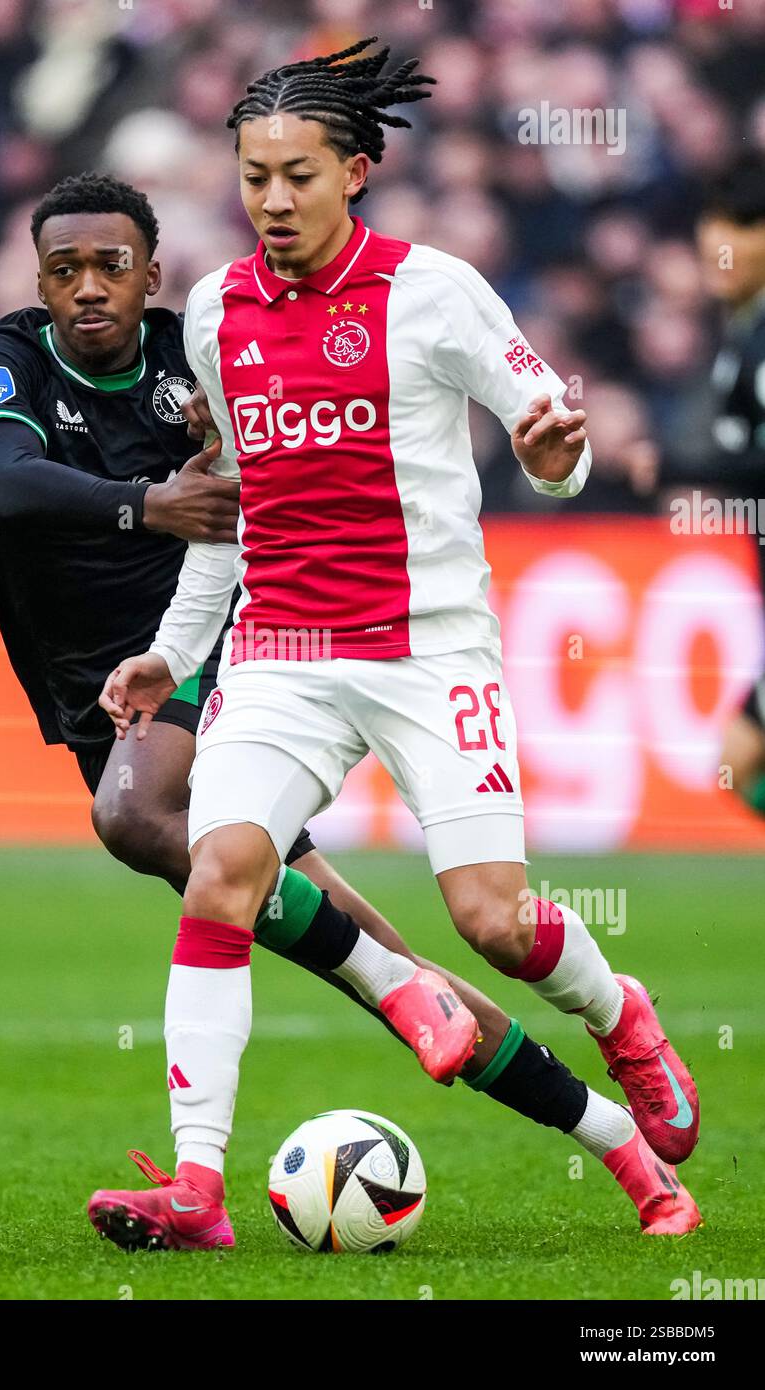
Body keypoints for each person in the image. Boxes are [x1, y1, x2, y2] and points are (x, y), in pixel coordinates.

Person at [96, 40, 701, 1250]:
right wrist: (175, 647)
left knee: (491, 919)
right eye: (254, 175)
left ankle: (617, 1009)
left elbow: (552, 427)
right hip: (282, 653)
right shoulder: (215, 311)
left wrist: (553, 456)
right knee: (222, 871)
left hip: (429, 648)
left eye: (299, 176)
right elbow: (231, 507)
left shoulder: (437, 292)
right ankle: (199, 1187)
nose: (272, 199)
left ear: (357, 173)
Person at [687, 155, 765, 815]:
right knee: (738, 761)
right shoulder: (740, 335)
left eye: (744, 225)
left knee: (738, 757)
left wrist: (678, 466)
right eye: (714, 223)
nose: (722, 242)